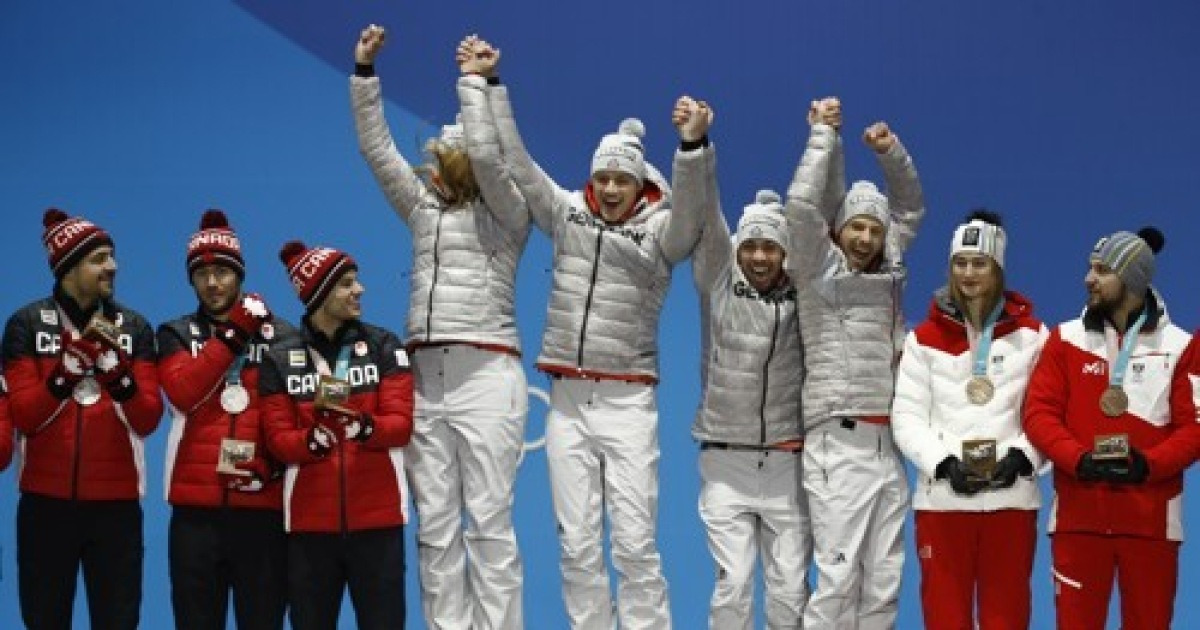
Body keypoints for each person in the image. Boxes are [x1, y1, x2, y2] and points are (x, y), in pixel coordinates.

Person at [464, 34, 706, 629]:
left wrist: (692, 147)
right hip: (568, 404)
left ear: (640, 184)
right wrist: (491, 87)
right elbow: (518, 162)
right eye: (602, 179)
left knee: (633, 546)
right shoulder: (568, 214)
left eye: (622, 180)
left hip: (628, 403)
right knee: (575, 546)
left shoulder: (661, 233)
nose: (611, 189)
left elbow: (695, 215)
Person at [350, 25, 530, 629]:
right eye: (434, 163)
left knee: (488, 522)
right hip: (425, 375)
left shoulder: (509, 216)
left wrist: (472, 83)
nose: (433, 172)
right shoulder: (423, 211)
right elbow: (378, 152)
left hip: (486, 372)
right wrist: (365, 76)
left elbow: (488, 154)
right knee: (436, 526)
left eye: (445, 162)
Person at [785, 97, 925, 629]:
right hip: (836, 443)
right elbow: (801, 206)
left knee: (883, 582)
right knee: (838, 582)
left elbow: (910, 207)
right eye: (856, 228)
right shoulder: (815, 267)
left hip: (888, 445)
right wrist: (822, 134)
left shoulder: (891, 267)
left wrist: (891, 152)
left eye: (874, 229)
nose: (865, 238)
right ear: (838, 229)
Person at [1024, 227, 1200, 629]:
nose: (1089, 279)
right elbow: (1039, 412)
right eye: (1090, 269)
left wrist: (1148, 465)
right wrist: (1078, 459)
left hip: (1151, 523)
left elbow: (1195, 429)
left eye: (1102, 271)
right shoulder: (1064, 339)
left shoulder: (1180, 345)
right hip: (1078, 520)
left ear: (1133, 279)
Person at [1, 208, 163, 629]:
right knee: (44, 620)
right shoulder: (25, 323)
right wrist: (66, 373)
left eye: (112, 256)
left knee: (118, 621)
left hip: (117, 510)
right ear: (70, 267)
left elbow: (147, 418)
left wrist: (116, 374)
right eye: (100, 258)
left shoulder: (135, 327)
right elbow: (23, 415)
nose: (113, 266)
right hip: (45, 507)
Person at [891, 211, 1047, 629]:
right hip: (943, 502)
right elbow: (907, 417)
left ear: (997, 268)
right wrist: (942, 465)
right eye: (960, 262)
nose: (968, 272)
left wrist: (1023, 458)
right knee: (945, 617)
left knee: (1007, 617)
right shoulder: (923, 340)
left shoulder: (1033, 336)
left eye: (979, 263)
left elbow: (1047, 412)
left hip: (1011, 501)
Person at [258, 240, 414, 630]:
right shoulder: (280, 357)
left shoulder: (383, 346)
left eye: (355, 282)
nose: (359, 290)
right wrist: (312, 442)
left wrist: (364, 427)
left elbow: (401, 425)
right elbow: (278, 439)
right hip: (310, 530)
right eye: (346, 284)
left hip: (377, 525)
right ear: (319, 293)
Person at [159, 210, 294, 629]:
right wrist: (234, 333)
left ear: (239, 274)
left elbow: (294, 415)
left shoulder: (285, 337)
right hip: (195, 514)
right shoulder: (176, 333)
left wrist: (272, 466)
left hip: (263, 510)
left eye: (222, 271)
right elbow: (183, 393)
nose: (212, 283)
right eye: (201, 275)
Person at [689, 181, 809, 626]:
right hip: (726, 461)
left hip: (788, 465)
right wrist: (695, 145)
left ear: (785, 253)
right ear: (738, 249)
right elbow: (704, 210)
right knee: (733, 587)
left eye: (771, 248)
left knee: (790, 592)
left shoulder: (806, 295)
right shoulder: (719, 285)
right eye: (751, 247)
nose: (760, 257)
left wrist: (824, 137)